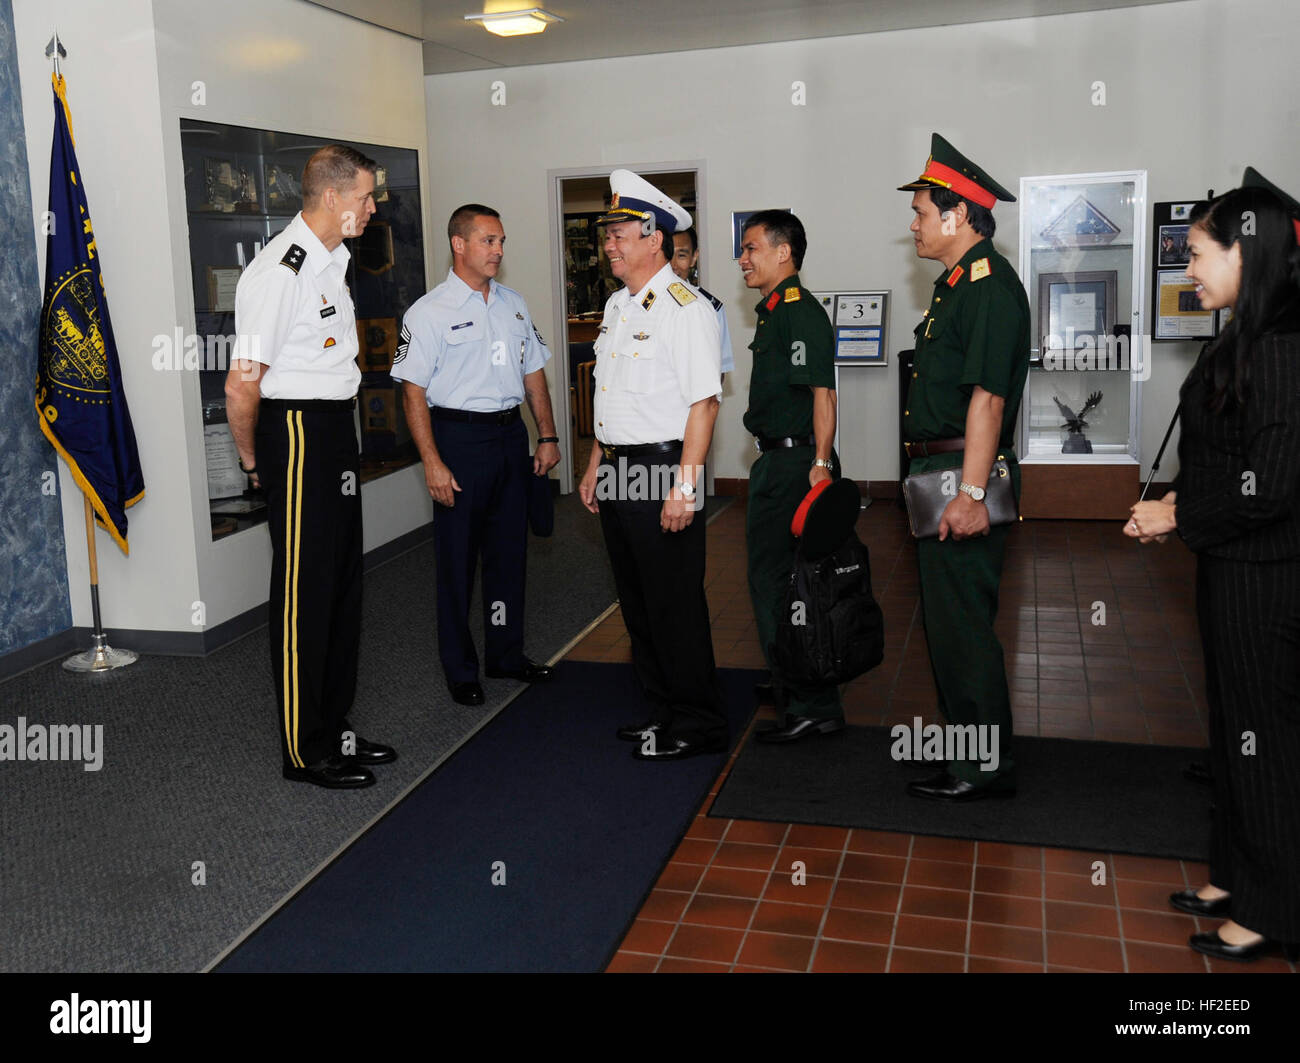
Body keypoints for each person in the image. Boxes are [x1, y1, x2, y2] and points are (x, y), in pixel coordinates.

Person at [1126, 168, 1300, 963]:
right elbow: (1225, 457)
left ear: (1247, 255)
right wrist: (1175, 501)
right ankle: (1235, 873)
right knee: (1235, 732)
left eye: (1197, 254)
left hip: (1266, 575)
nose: (1186, 270)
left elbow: (1271, 488)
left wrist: (1178, 515)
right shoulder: (1244, 335)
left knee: (1266, 735)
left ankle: (1272, 908)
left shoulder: (1284, 349)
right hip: (1231, 564)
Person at [227, 144, 396, 789]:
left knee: (342, 581)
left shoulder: (332, 262)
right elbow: (243, 385)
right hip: (294, 430)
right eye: (365, 196)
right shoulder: (280, 270)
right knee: (303, 591)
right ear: (331, 197)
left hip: (332, 428)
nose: (371, 207)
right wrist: (252, 458)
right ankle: (304, 749)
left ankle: (336, 729)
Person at [897, 133, 1029, 801]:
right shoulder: (955, 286)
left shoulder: (988, 288)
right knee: (948, 628)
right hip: (939, 476)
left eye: (921, 211)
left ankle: (985, 766)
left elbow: (988, 397)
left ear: (956, 216)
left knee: (964, 631)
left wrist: (972, 492)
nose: (914, 224)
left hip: (962, 477)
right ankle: (968, 754)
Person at [578, 169, 726, 761]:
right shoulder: (617, 304)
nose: (609, 244)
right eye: (608, 233)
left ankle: (698, 721)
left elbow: (704, 403)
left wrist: (685, 487)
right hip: (617, 465)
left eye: (620, 232)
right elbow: (610, 395)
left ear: (655, 237)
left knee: (673, 601)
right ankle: (660, 711)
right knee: (636, 600)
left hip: (663, 470)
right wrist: (594, 464)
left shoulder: (684, 308)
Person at [394, 204, 560, 706]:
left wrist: (548, 437)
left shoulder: (514, 304)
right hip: (458, 441)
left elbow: (533, 372)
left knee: (508, 556)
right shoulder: (428, 313)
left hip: (511, 439)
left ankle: (506, 654)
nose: (499, 251)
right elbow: (412, 393)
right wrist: (432, 460)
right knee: (457, 562)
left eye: (502, 241)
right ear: (459, 244)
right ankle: (461, 669)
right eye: (488, 241)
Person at [737, 210, 845, 743]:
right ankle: (791, 681)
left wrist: (820, 466)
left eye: (752, 248)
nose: (743, 259)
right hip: (778, 462)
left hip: (795, 466)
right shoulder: (774, 312)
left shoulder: (799, 313)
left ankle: (812, 704)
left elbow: (822, 393)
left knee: (787, 584)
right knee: (775, 581)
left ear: (784, 252)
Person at [670, 227, 735, 375]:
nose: (673, 265)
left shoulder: (711, 307)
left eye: (681, 255)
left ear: (694, 258)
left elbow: (719, 372)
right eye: (667, 255)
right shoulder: (639, 303)